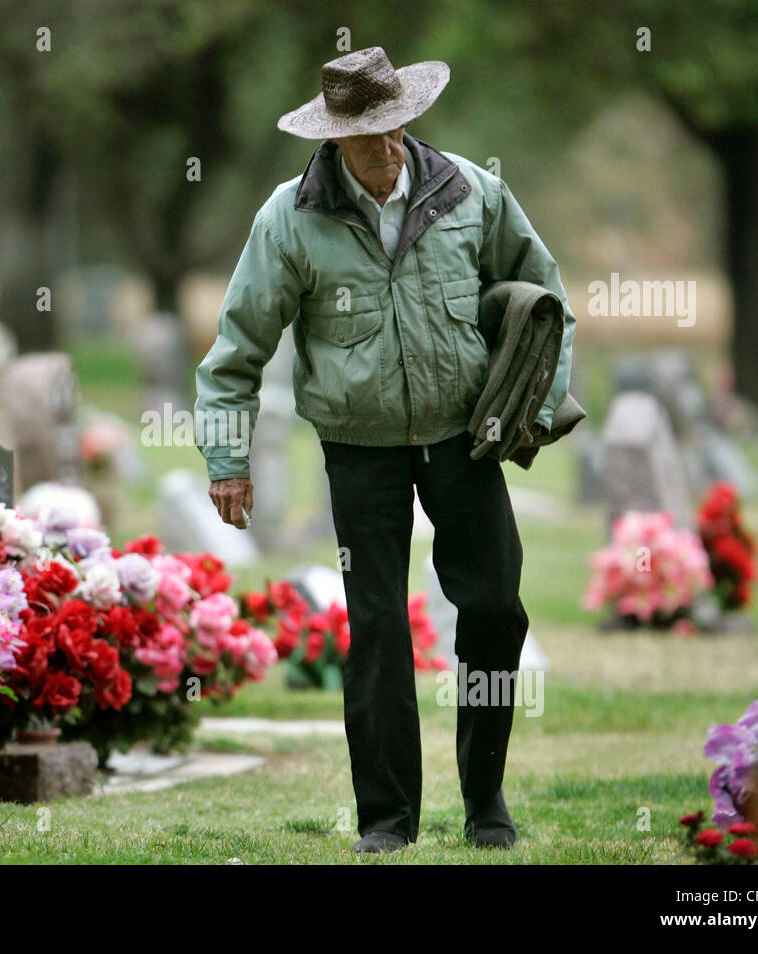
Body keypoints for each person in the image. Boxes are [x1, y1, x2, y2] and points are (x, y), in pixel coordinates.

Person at [194, 47, 576, 853]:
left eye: (398, 128)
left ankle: (486, 801)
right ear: (334, 139)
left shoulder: (471, 189)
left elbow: (546, 297)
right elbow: (235, 351)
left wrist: (535, 407)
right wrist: (228, 458)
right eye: (369, 136)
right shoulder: (287, 217)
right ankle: (388, 819)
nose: (390, 148)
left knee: (496, 609)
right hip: (357, 448)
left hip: (462, 437)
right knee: (376, 626)